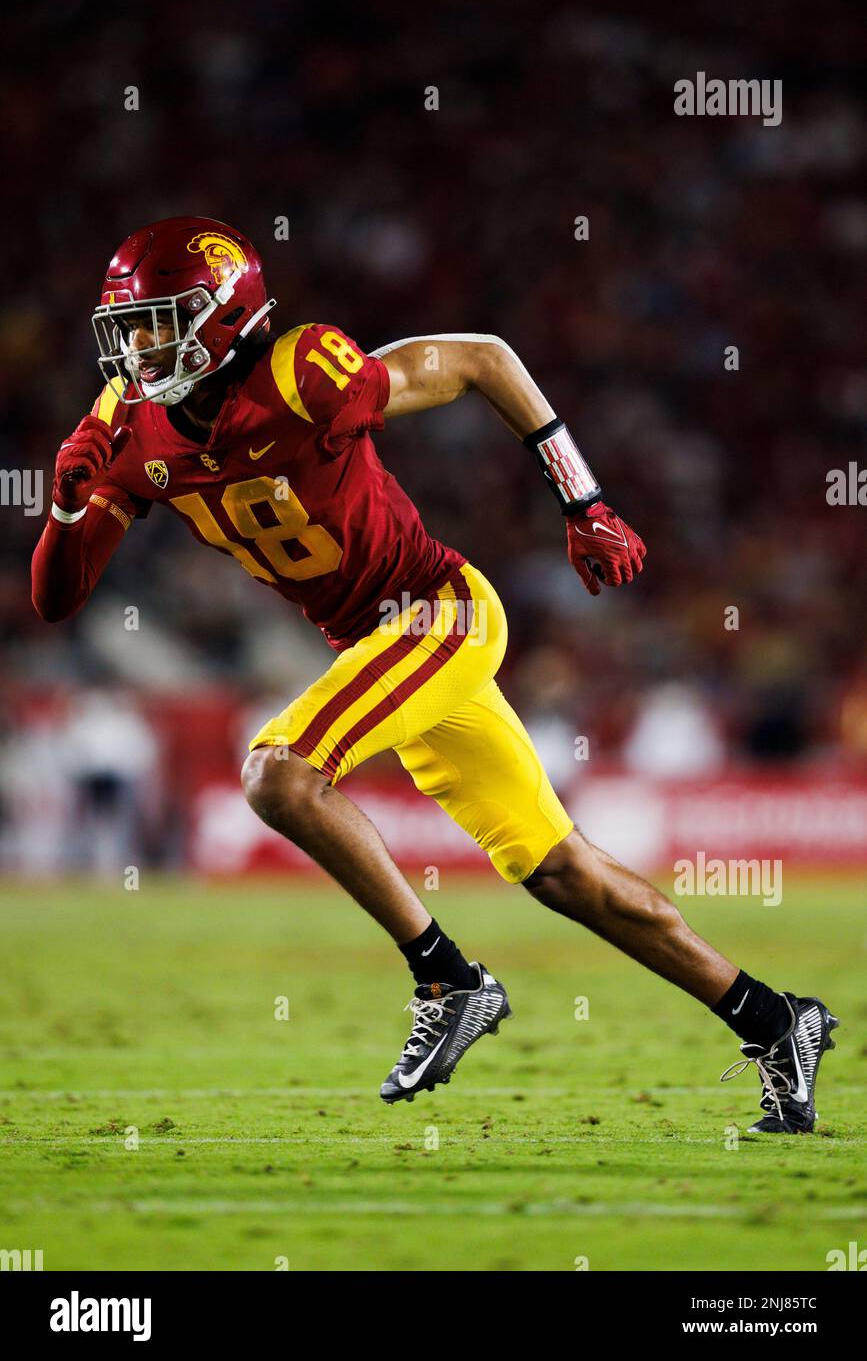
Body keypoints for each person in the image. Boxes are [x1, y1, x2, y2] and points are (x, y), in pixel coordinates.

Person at [31, 216, 837, 1128]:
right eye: (130, 326)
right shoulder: (123, 423)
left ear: (223, 315)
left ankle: (448, 980)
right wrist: (64, 507)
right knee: (562, 873)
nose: (140, 347)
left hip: (439, 613)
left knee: (277, 773)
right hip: (378, 647)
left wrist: (585, 498)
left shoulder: (304, 372)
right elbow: (58, 599)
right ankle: (777, 1022)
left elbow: (482, 358)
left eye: (159, 322)